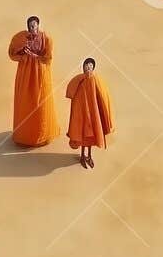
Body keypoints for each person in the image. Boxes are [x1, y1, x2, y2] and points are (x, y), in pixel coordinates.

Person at [8, 16, 59, 148]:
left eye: (35, 24)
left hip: (40, 73)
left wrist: (34, 56)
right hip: (25, 73)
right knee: (25, 101)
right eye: (31, 25)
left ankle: (42, 134)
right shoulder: (21, 38)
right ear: (28, 26)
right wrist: (22, 53)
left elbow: (47, 58)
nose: (33, 27)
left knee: (41, 101)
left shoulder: (46, 38)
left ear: (38, 25)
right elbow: (12, 54)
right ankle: (25, 135)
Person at [65, 57, 114, 170]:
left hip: (93, 114)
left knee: (91, 137)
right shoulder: (79, 80)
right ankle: (82, 156)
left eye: (90, 66)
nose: (88, 68)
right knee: (83, 136)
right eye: (86, 66)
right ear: (83, 67)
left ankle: (89, 156)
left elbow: (102, 95)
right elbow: (72, 92)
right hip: (82, 114)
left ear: (93, 68)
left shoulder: (96, 80)